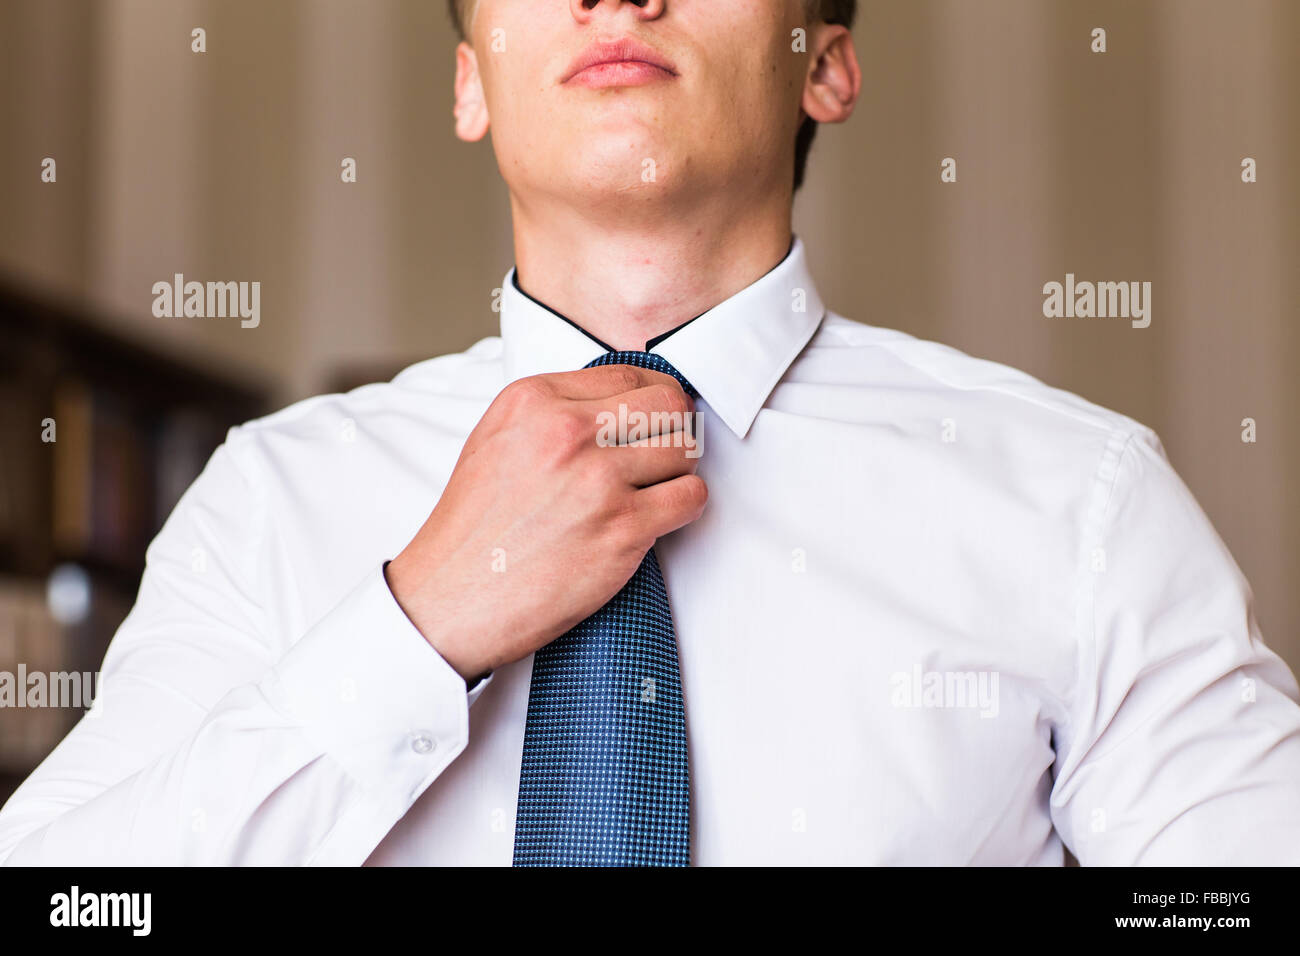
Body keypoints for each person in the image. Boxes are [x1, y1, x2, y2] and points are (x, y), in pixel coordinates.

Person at [2, 0, 1298, 866]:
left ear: (827, 63)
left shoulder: (1081, 504)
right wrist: (418, 628)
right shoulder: (273, 501)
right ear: (470, 85)